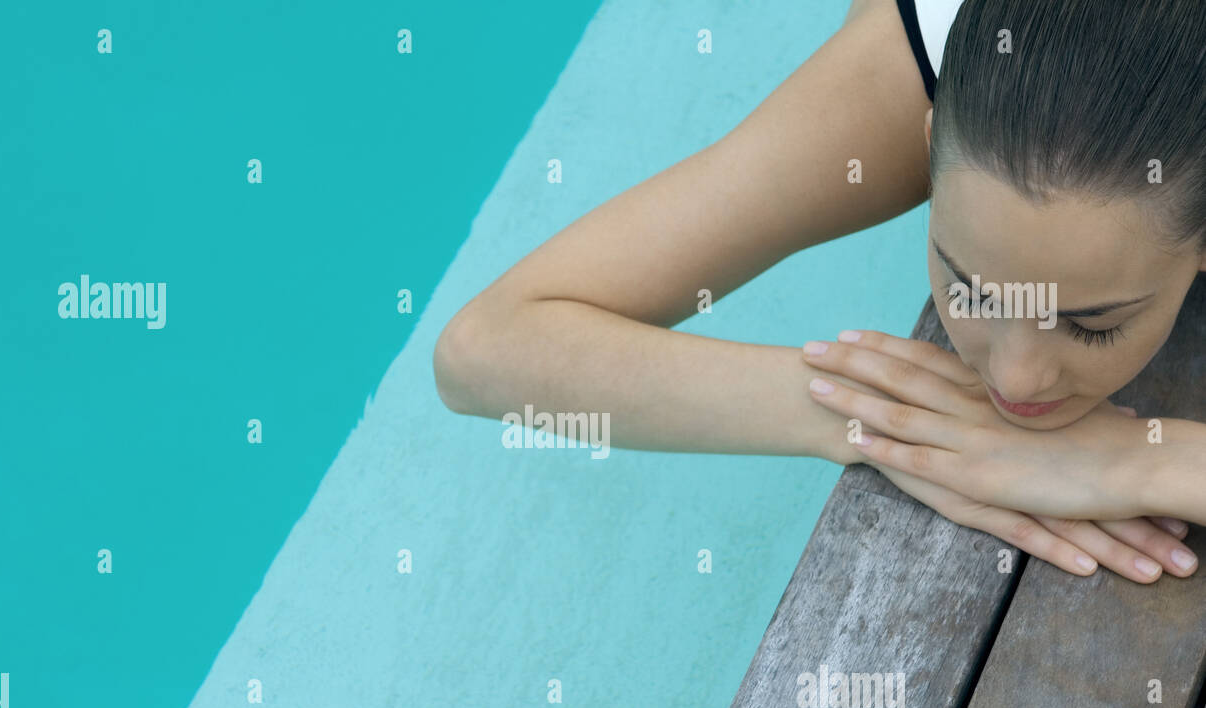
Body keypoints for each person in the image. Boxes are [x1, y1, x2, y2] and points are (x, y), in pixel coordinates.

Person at [432, 0, 1205, 584]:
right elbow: (485, 347)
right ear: (928, 140)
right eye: (969, 289)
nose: (1012, 379)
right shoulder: (904, 74)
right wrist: (873, 419)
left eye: (1091, 324)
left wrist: (1148, 462)